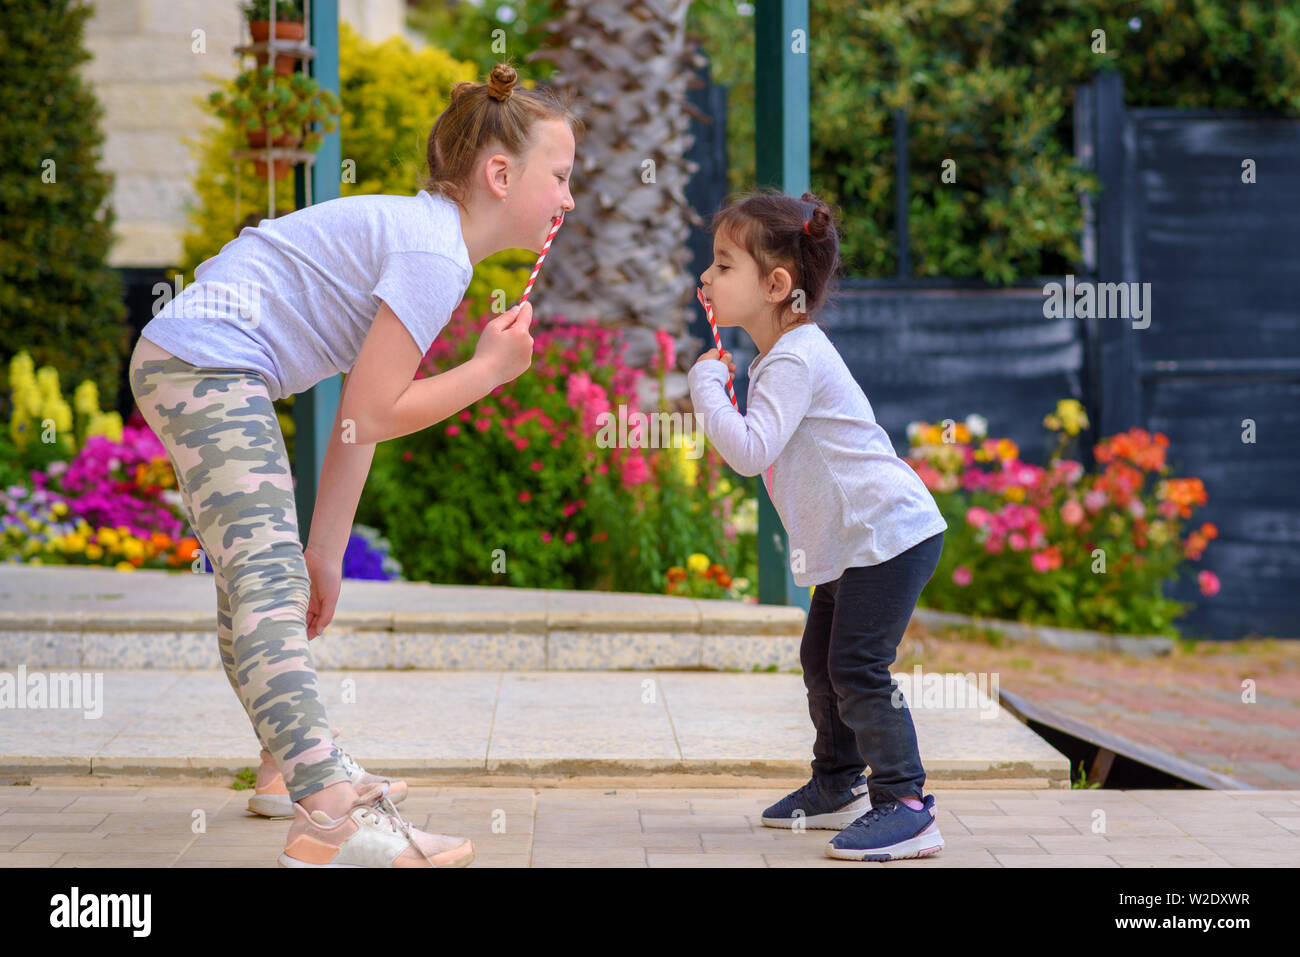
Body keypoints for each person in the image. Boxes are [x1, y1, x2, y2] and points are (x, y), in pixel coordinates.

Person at [129, 62, 579, 867]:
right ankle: (331, 812)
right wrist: (487, 371)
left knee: (261, 583)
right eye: (561, 175)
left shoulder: (429, 242)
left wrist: (326, 549)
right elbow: (373, 412)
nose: (568, 199)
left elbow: (355, 417)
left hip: (197, 363)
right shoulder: (434, 254)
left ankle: (287, 768)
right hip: (207, 366)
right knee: (266, 584)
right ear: (501, 174)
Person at [688, 188, 949, 862]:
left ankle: (908, 803)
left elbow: (749, 452)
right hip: (855, 543)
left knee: (858, 666)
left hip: (887, 535)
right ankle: (838, 781)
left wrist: (706, 391)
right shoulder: (785, 356)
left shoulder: (795, 359)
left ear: (776, 284)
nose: (705, 278)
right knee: (821, 660)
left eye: (721, 265)